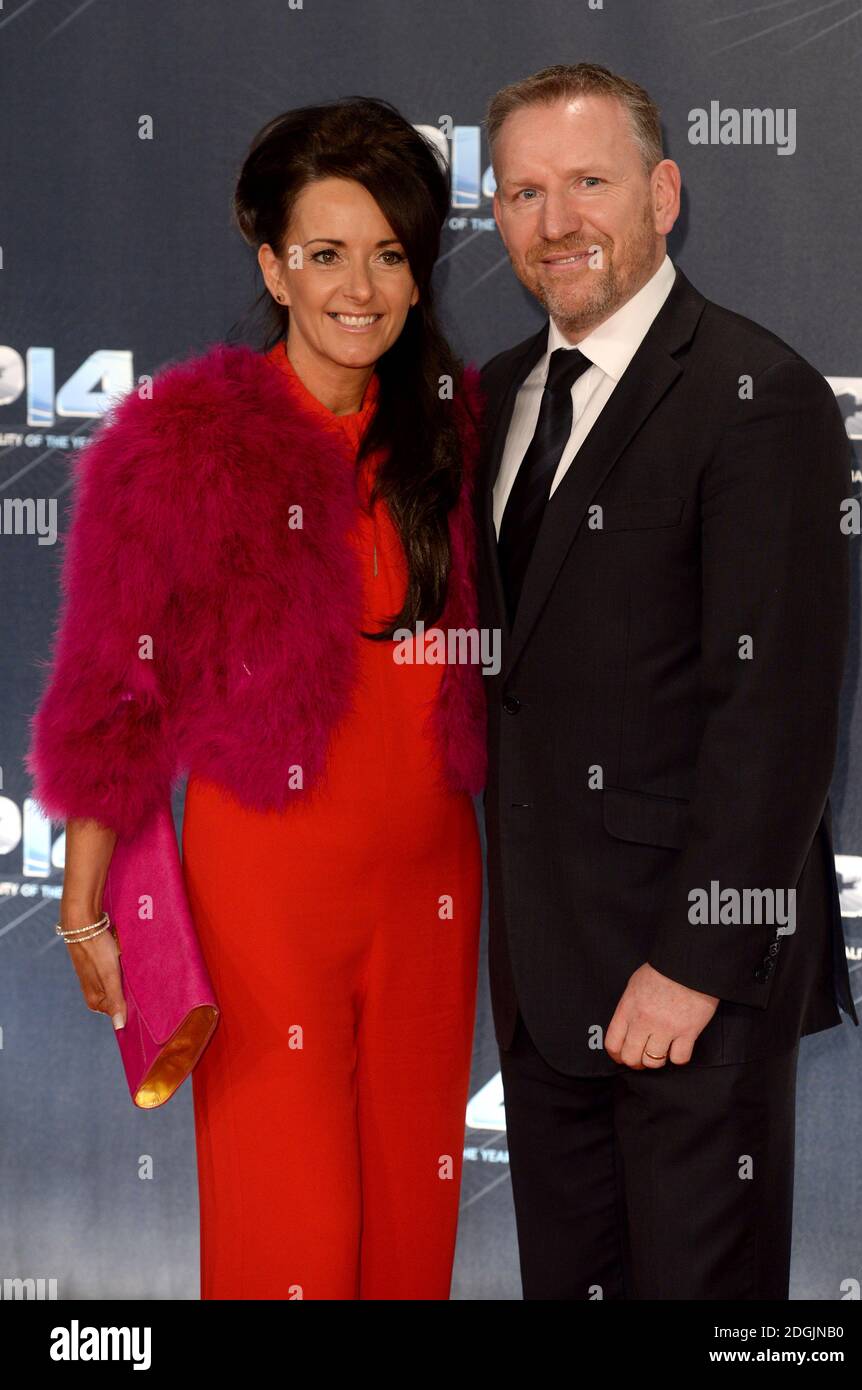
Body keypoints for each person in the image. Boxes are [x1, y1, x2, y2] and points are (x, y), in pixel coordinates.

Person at [27, 98, 488, 1301]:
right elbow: (110, 691)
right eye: (326, 253)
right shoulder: (181, 444)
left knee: (406, 1248)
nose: (362, 287)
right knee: (293, 1242)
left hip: (433, 889)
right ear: (272, 264)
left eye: (391, 254)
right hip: (265, 901)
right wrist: (85, 906)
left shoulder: (458, 431)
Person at [476, 63, 857, 1300]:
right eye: (524, 192)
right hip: (544, 985)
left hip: (691, 985)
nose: (556, 221)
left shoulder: (759, 396)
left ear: (666, 194)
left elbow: (781, 713)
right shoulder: (494, 399)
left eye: (590, 182)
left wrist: (695, 960)